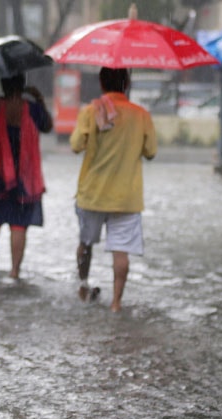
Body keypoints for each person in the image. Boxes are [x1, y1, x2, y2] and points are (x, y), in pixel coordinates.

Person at [69, 67, 157, 313]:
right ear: (127, 82)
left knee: (86, 243)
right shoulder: (141, 115)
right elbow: (151, 152)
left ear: (100, 82)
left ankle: (83, 286)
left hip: (92, 194)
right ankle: (116, 304)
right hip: (126, 197)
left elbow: (76, 145)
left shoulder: (90, 111)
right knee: (122, 251)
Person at [0, 73, 52, 278]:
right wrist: (39, 99)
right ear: (22, 84)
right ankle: (15, 272)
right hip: (24, 180)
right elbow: (47, 126)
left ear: (2, 83)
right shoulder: (31, 108)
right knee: (19, 224)